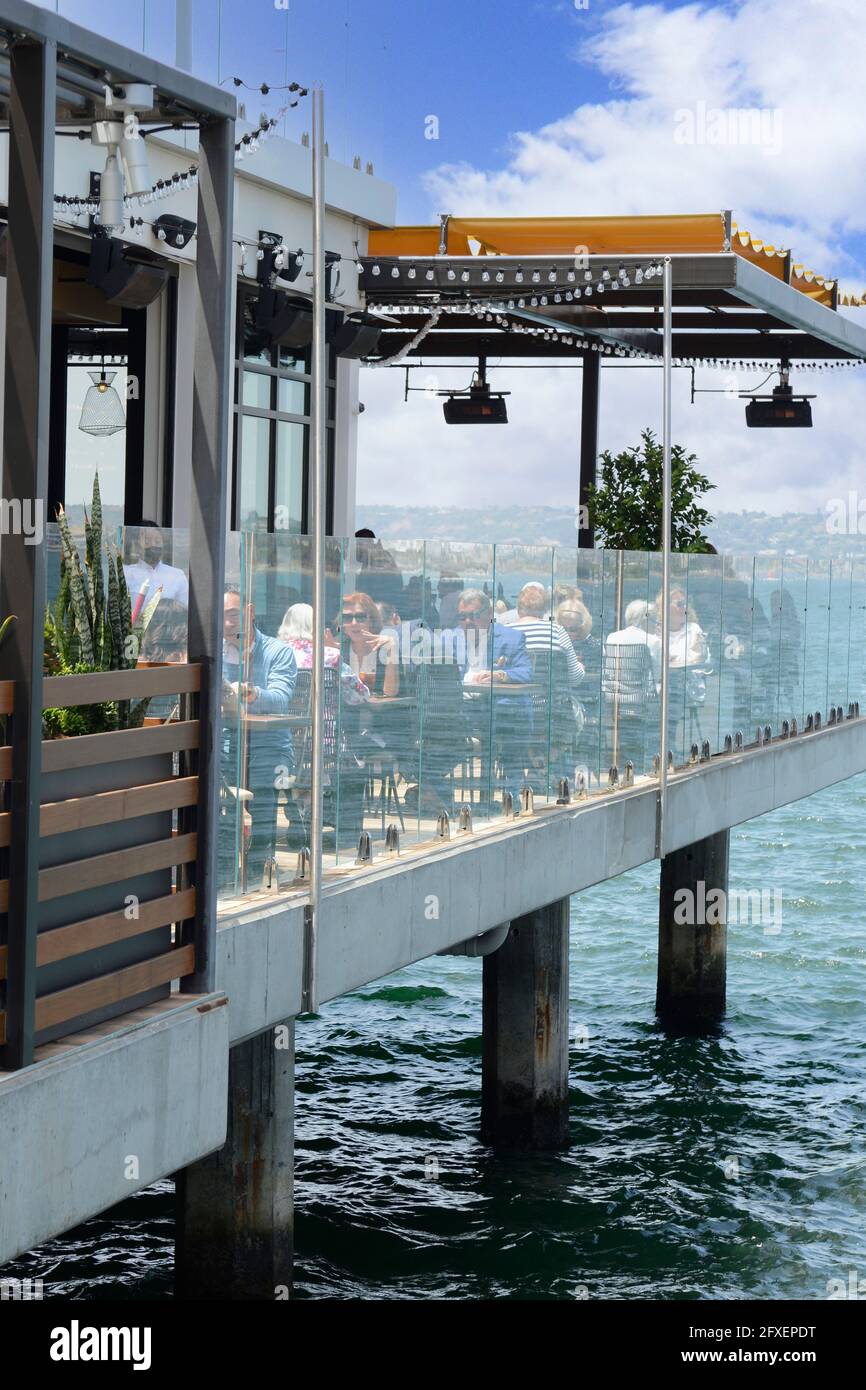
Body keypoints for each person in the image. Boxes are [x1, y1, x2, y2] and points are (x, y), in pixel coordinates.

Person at [220, 587, 297, 893]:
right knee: (218, 810)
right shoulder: (214, 650)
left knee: (263, 808)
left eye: (232, 615)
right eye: (222, 617)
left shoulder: (278, 652)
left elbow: (279, 700)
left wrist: (247, 692)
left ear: (250, 612)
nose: (227, 624)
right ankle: (223, 877)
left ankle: (258, 875)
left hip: (269, 748)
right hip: (226, 743)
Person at [456, 589, 532, 799]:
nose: (468, 621)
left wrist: (499, 675)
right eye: (463, 617)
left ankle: (511, 796)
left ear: (489, 613)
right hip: (464, 712)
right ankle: (436, 796)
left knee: (510, 724)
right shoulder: (454, 638)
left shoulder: (511, 638)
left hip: (500, 711)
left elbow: (526, 672)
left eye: (474, 615)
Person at [510, 582, 585, 687]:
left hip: (513, 701)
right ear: (544, 610)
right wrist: (580, 666)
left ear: (518, 610)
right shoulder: (557, 631)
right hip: (552, 701)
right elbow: (574, 678)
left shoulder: (505, 632)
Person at [333, 590, 400, 697]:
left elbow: (390, 692)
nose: (354, 623)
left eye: (360, 617)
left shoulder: (384, 648)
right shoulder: (338, 649)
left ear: (371, 620)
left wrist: (391, 647)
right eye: (347, 618)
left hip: (378, 712)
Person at [124, 521, 188, 607]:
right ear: (137, 545)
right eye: (147, 542)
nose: (153, 545)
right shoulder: (126, 573)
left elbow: (185, 609)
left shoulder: (177, 575)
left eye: (157, 541)